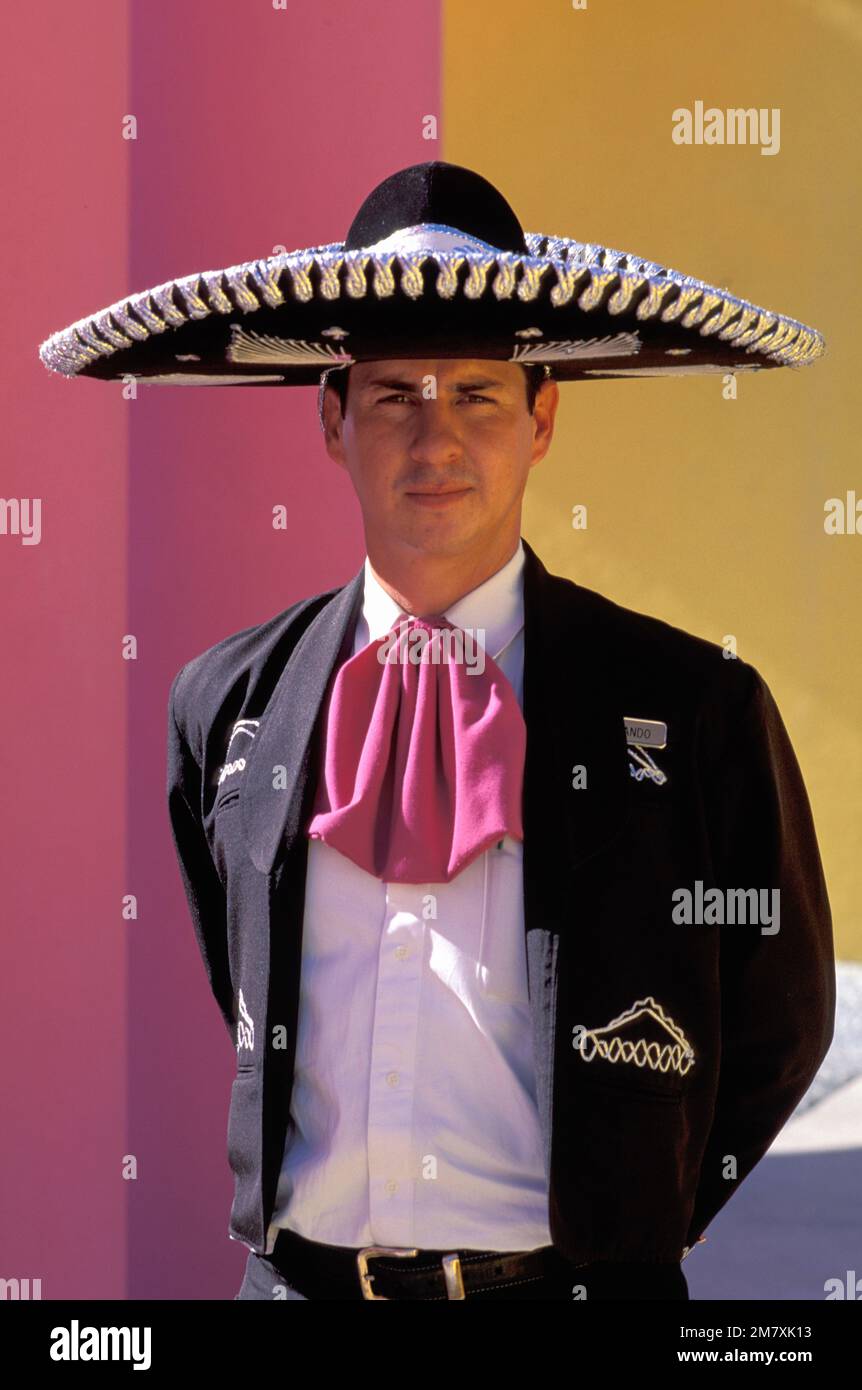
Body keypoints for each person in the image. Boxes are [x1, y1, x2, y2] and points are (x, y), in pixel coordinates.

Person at [40, 161, 835, 1301]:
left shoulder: (694, 705)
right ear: (331, 419)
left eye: (476, 395)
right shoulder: (228, 701)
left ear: (542, 418)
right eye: (392, 397)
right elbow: (244, 976)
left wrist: (644, 1202)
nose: (435, 440)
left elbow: (783, 1017)